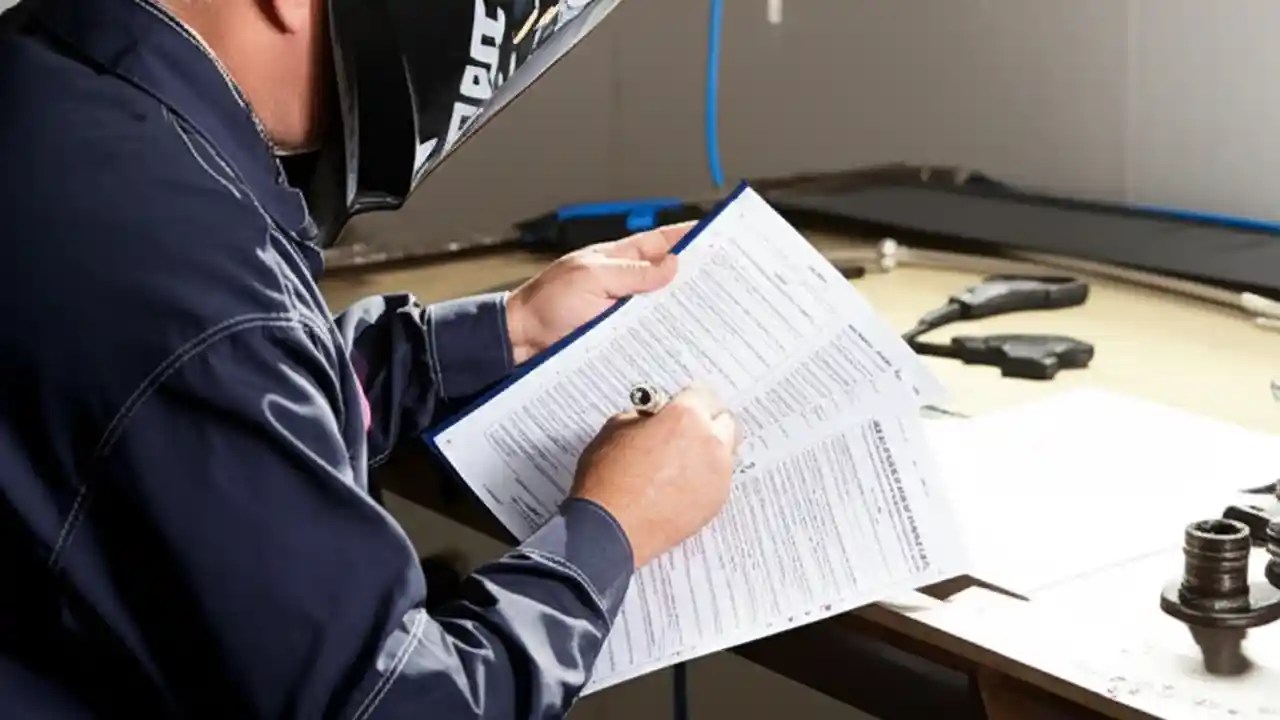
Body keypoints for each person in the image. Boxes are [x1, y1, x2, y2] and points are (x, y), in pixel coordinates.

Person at [0, 0, 739, 717]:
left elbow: (192, 416)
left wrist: (510, 330)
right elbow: (389, 704)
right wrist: (612, 528)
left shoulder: (55, 78)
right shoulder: (186, 267)